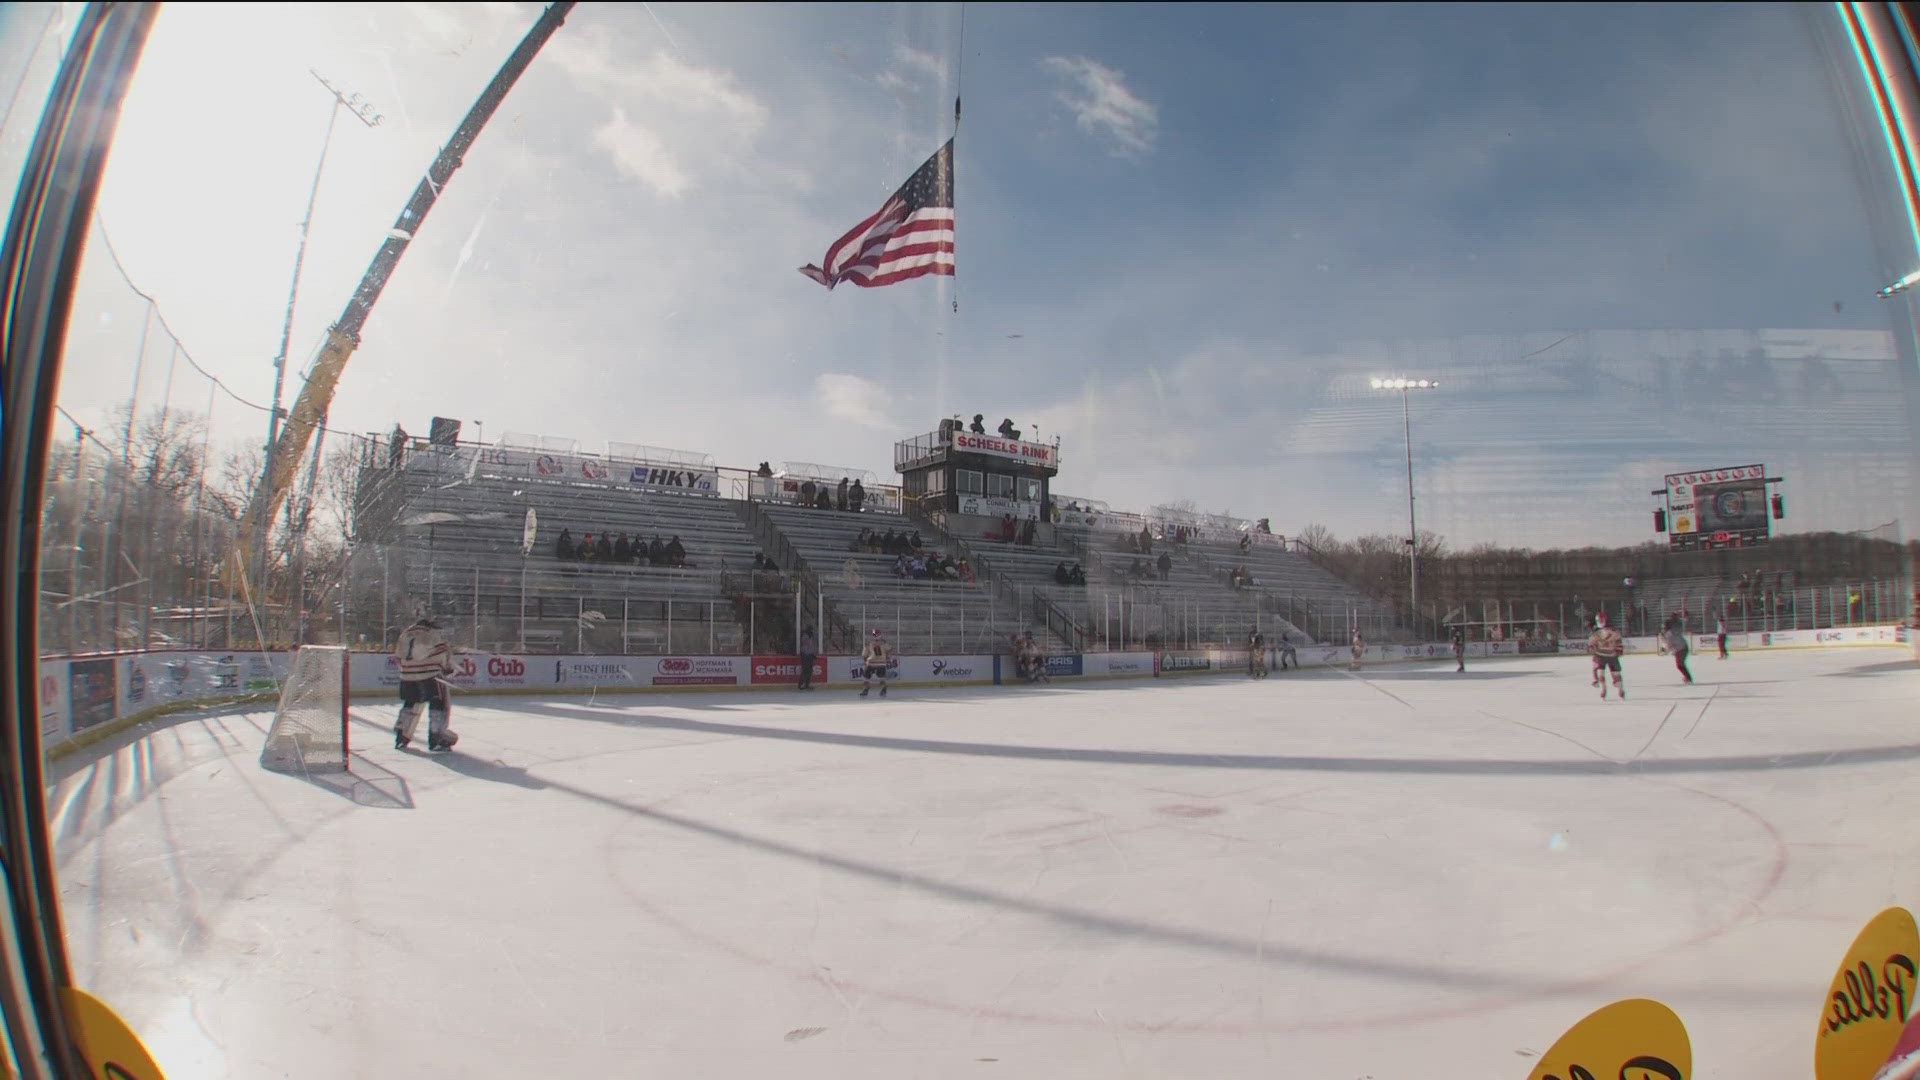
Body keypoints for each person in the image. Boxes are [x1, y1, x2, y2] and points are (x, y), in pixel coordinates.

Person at [393, 616, 458, 751]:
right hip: (430, 676)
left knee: (410, 704)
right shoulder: (432, 634)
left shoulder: (405, 634)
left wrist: (408, 669)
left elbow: (398, 657)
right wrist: (448, 668)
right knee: (439, 705)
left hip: (407, 677)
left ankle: (402, 735)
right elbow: (443, 652)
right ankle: (437, 737)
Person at [1589, 611, 1626, 699]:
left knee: (1616, 675)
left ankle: (1620, 689)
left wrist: (1619, 649)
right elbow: (1592, 643)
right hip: (1601, 655)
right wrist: (1591, 647)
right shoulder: (1595, 632)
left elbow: (1618, 640)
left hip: (1611, 655)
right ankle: (1603, 689)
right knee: (1600, 673)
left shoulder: (1612, 631)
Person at [860, 629, 891, 698]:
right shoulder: (884, 643)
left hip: (872, 662)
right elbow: (889, 651)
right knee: (881, 678)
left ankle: (865, 690)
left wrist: (866, 661)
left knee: (866, 677)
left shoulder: (869, 643)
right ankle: (883, 690)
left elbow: (864, 655)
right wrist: (887, 658)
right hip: (881, 663)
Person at [1664, 612, 1693, 684]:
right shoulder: (1676, 629)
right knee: (1680, 664)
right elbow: (1682, 622)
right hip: (1683, 647)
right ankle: (1687, 677)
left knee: (1680, 665)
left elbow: (1669, 645)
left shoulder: (1669, 634)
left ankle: (1688, 678)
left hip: (1681, 649)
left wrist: (1667, 650)